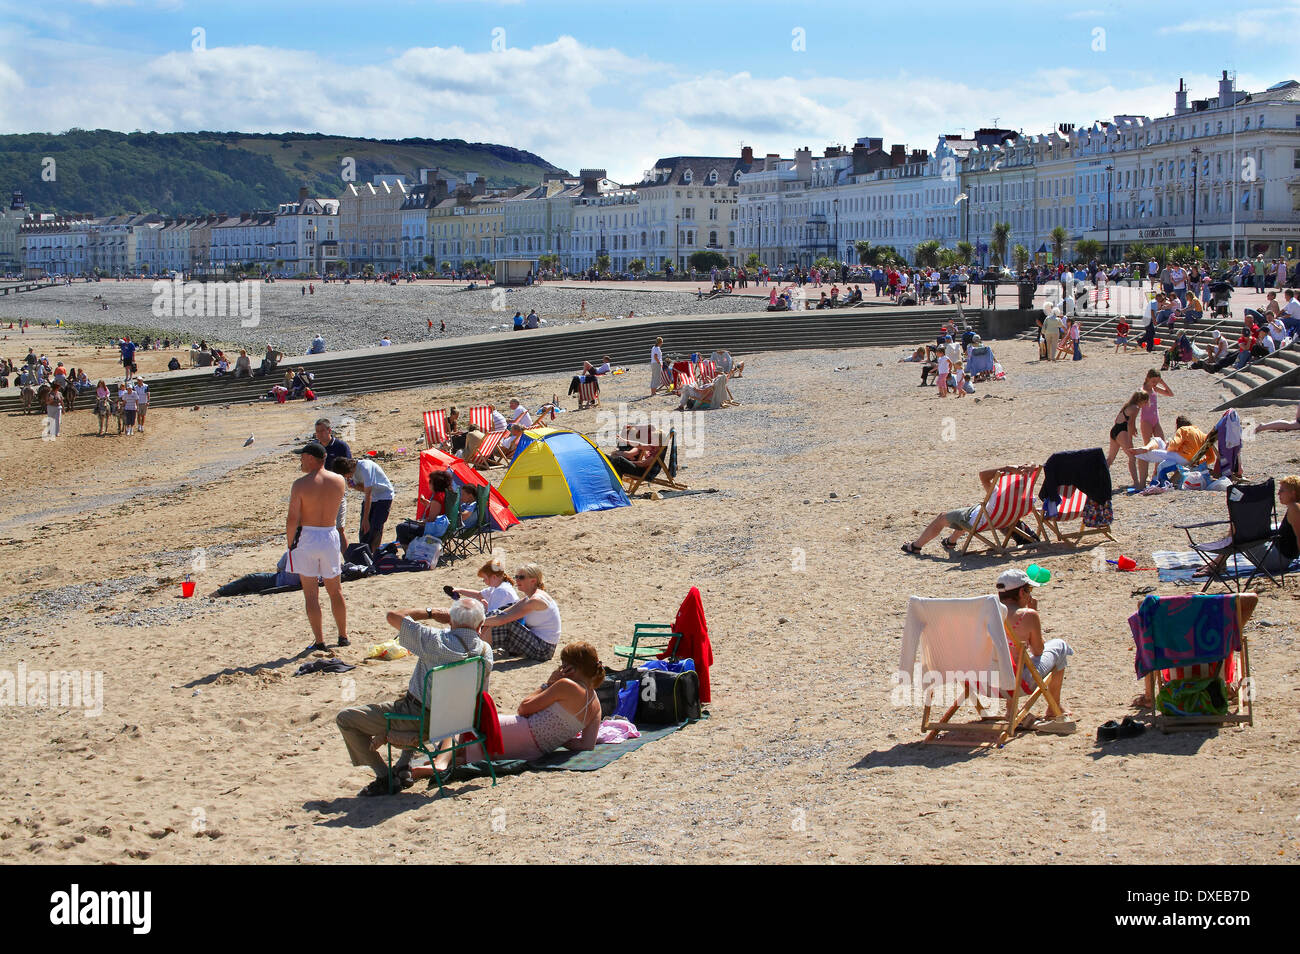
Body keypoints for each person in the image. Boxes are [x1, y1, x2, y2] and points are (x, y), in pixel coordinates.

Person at [335, 598, 493, 796]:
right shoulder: (486, 652)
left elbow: (393, 616)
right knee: (419, 694)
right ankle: (403, 764)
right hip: (458, 723)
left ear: (450, 621)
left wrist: (431, 611)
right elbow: (482, 694)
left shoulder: (434, 641)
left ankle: (385, 776)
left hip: (418, 721)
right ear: (481, 625)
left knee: (346, 718)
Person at [465, 641, 603, 764]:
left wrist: (547, 684)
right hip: (537, 751)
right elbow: (587, 745)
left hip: (523, 732)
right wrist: (557, 740)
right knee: (469, 747)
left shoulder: (566, 685)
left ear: (570, 668)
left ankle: (445, 762)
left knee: (467, 726)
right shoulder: (595, 704)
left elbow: (524, 708)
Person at [286, 441, 349, 651]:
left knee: (311, 593)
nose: (300, 461)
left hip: (308, 535)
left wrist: (290, 544)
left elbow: (292, 518)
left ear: (311, 458)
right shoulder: (338, 480)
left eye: (303, 457)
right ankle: (343, 635)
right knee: (335, 590)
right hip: (329, 535)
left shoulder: (300, 484)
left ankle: (320, 640)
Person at [901, 465, 1040, 554]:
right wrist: (1031, 468)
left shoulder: (997, 495)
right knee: (969, 513)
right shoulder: (1028, 498)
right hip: (1003, 520)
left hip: (980, 521)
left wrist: (1008, 468)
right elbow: (1035, 466)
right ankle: (951, 541)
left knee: (942, 517)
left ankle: (916, 546)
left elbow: (983, 475)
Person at [996, 569, 1075, 719]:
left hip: (984, 682)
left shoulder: (986, 614)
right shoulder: (1027, 616)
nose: (1030, 594)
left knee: (1007, 657)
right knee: (1060, 646)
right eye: (1029, 589)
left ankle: (1010, 710)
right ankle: (1054, 707)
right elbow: (1038, 651)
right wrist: (1033, 613)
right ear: (1021, 592)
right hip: (1017, 684)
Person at [1194, 476, 1300, 580]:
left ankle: (1217, 564)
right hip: (1280, 555)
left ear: (1293, 493)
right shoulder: (1295, 507)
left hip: (1276, 561)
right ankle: (1218, 562)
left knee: (1239, 527)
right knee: (1243, 527)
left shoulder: (1294, 508)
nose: (1278, 493)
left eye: (1282, 490)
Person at [483, 562, 562, 661]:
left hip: (544, 649)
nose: (517, 580)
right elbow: (504, 612)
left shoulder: (535, 600)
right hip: (536, 641)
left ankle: (479, 650)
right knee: (499, 613)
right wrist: (483, 618)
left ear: (533, 581)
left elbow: (504, 619)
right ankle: (477, 646)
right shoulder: (528, 598)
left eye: (521, 577)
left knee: (505, 623)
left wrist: (479, 622)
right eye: (516, 577)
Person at [335, 456, 394, 551]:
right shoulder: (351, 473)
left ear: (349, 470)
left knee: (375, 529)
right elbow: (364, 490)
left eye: (346, 475)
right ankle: (366, 555)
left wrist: (366, 519)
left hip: (384, 496)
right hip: (372, 497)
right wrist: (354, 486)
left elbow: (368, 494)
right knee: (364, 532)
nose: (347, 478)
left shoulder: (365, 467)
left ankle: (374, 555)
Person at [1137, 369, 1174, 486]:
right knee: (1148, 446)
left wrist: (1162, 382)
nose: (1154, 384)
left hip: (1155, 420)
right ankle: (1145, 474)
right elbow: (1137, 405)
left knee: (1161, 445)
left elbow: (1170, 393)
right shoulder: (1142, 390)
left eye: (1156, 382)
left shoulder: (1154, 389)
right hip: (1146, 421)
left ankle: (1155, 473)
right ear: (1147, 378)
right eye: (1153, 381)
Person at [1107, 390, 1150, 489]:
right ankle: (1136, 482)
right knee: (1132, 457)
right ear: (1141, 400)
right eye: (1145, 402)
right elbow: (1130, 423)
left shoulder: (1128, 405)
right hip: (1122, 431)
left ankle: (1098, 478)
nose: (1146, 404)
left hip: (1114, 430)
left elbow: (1120, 420)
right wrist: (1129, 439)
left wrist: (1133, 429)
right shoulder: (1136, 408)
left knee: (1110, 459)